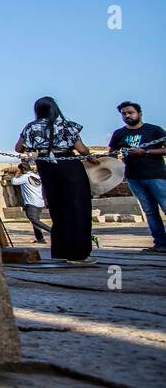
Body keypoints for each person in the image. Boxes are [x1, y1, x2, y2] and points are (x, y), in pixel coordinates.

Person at [15, 97, 96, 265]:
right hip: (68, 164)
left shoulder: (31, 127)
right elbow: (81, 149)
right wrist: (91, 157)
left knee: (57, 209)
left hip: (46, 166)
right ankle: (79, 254)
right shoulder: (66, 125)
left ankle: (62, 250)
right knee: (77, 208)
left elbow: (18, 148)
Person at [108, 101, 166, 253]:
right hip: (134, 177)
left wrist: (145, 152)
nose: (127, 116)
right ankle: (160, 244)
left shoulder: (154, 130)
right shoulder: (119, 133)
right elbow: (112, 153)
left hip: (156, 175)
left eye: (130, 112)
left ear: (139, 113)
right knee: (150, 211)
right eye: (124, 113)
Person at [10, 160, 48, 243]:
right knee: (36, 221)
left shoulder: (25, 177)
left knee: (34, 220)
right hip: (39, 202)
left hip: (31, 203)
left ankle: (53, 231)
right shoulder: (36, 176)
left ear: (22, 170)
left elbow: (13, 182)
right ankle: (40, 239)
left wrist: (16, 173)